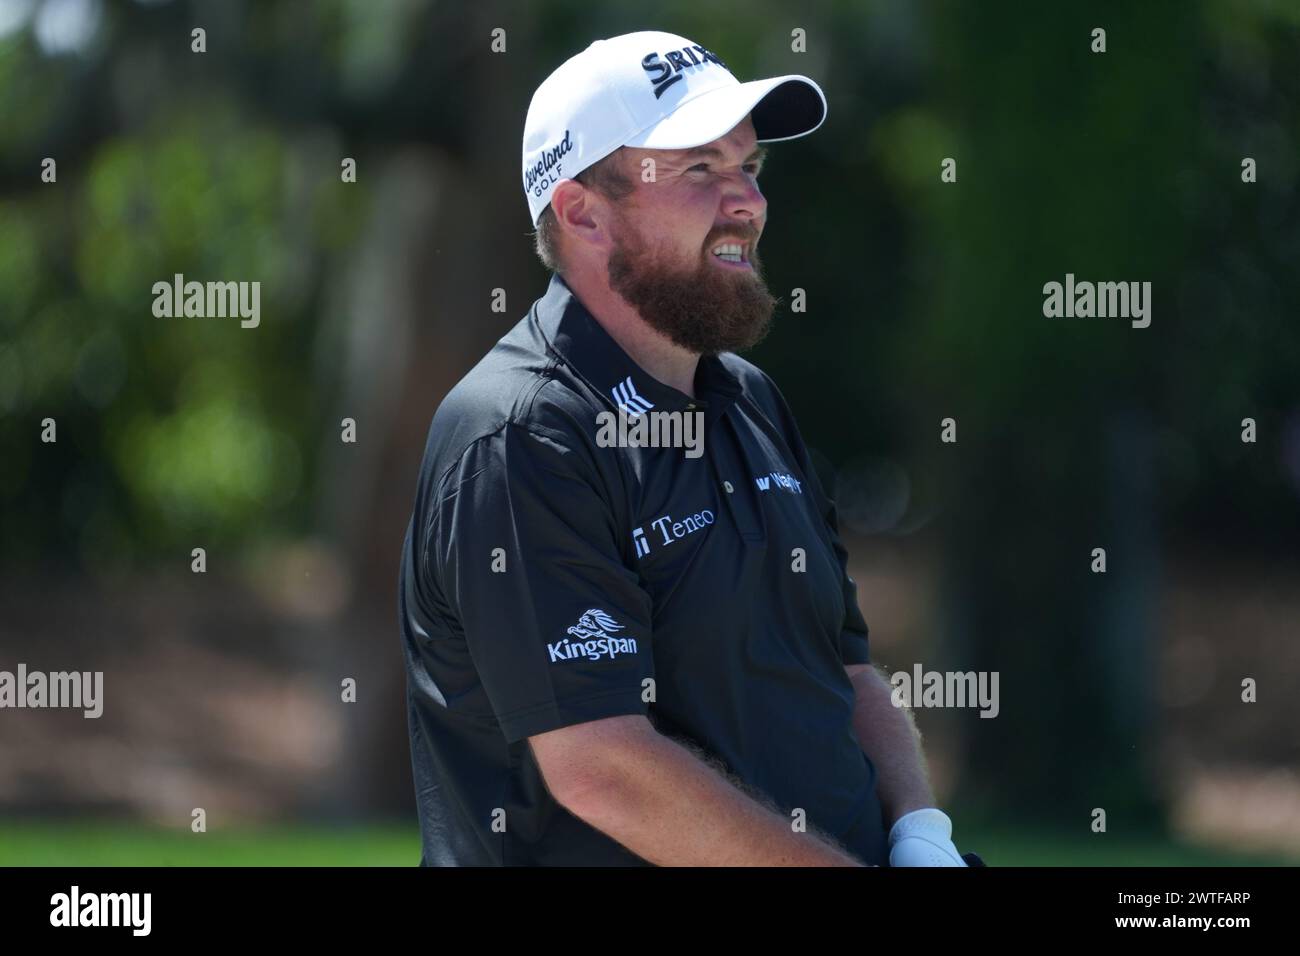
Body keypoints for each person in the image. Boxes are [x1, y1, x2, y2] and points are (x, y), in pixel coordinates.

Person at [398, 29, 975, 867]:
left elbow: (846, 674)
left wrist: (922, 833)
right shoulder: (522, 433)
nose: (748, 200)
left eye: (749, 166)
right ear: (582, 210)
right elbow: (603, 767)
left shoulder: (749, 399)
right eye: (700, 168)